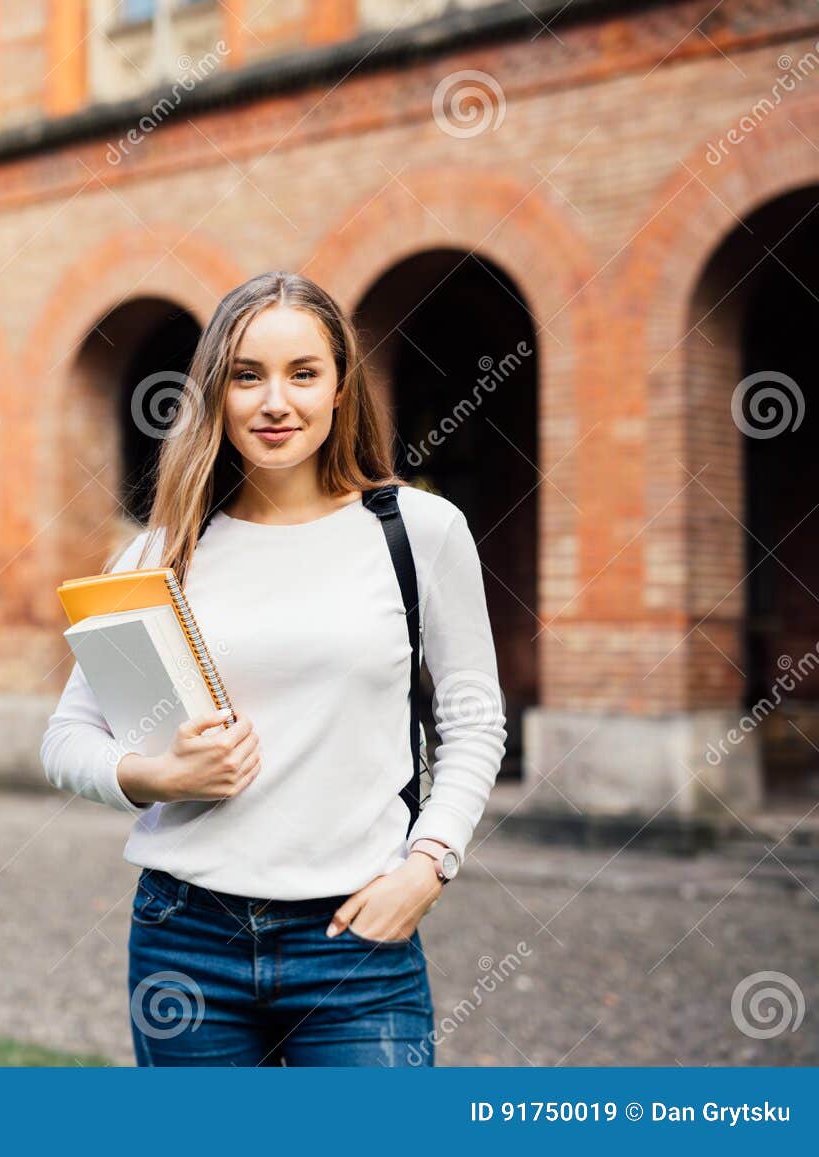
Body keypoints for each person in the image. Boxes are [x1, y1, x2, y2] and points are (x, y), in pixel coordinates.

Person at [39, 270, 507, 1066]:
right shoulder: (159, 556)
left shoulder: (417, 532)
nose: (274, 401)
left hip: (356, 943)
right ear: (215, 392)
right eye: (247, 375)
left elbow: (473, 719)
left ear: (339, 387)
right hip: (187, 938)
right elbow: (66, 738)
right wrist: (161, 775)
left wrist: (429, 864)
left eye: (303, 373)